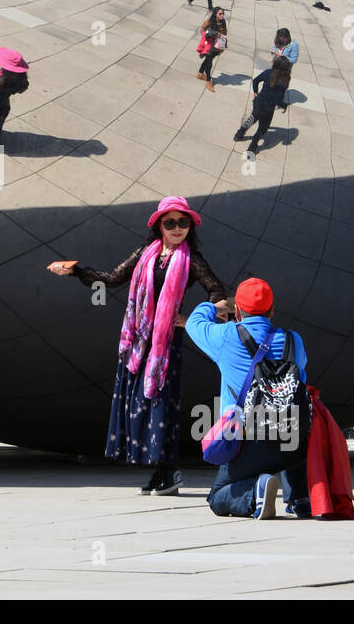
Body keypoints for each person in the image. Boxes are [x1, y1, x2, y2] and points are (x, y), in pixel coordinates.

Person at [49, 197, 227, 495]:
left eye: (183, 222)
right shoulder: (147, 253)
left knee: (163, 406)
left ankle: (168, 472)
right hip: (139, 341)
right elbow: (113, 277)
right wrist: (76, 271)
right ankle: (159, 471)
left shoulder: (192, 259)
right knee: (140, 405)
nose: (176, 228)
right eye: (169, 222)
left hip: (165, 344)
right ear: (159, 225)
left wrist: (192, 318)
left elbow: (219, 294)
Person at [186, 278, 310, 519]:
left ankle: (257, 489)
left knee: (218, 496)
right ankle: (301, 497)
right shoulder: (294, 340)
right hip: (294, 445)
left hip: (247, 442)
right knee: (288, 412)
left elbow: (193, 322)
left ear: (238, 311)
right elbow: (299, 382)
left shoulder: (226, 336)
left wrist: (217, 307)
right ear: (272, 310)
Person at [234, 56, 292, 160]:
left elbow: (256, 80)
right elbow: (278, 100)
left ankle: (239, 134)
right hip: (268, 109)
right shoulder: (284, 80)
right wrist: (284, 105)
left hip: (258, 102)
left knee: (252, 118)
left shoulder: (269, 72)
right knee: (262, 129)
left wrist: (256, 92)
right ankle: (252, 148)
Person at [195, 7, 227, 92]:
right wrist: (207, 36)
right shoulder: (209, 21)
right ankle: (209, 81)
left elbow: (224, 33)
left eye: (223, 13)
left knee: (208, 60)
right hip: (210, 46)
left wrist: (224, 46)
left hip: (217, 47)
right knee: (209, 63)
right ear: (215, 14)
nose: (222, 15)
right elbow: (202, 29)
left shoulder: (223, 21)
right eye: (220, 14)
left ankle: (200, 73)